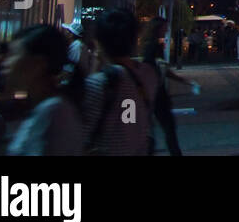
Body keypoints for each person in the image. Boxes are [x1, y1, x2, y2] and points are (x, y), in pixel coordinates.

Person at [82, 8, 161, 155]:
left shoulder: (98, 83)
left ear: (99, 43)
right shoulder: (148, 74)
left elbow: (82, 135)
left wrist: (95, 65)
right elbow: (129, 118)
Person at [4, 25, 84, 155]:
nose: (5, 63)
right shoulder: (50, 107)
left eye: (13, 54)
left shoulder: (53, 112)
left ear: (37, 65)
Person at [142, 16, 198, 156]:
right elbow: (155, 69)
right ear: (158, 28)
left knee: (159, 129)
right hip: (156, 93)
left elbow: (161, 70)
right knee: (166, 128)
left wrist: (184, 81)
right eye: (165, 27)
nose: (167, 30)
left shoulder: (152, 45)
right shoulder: (153, 46)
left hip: (154, 93)